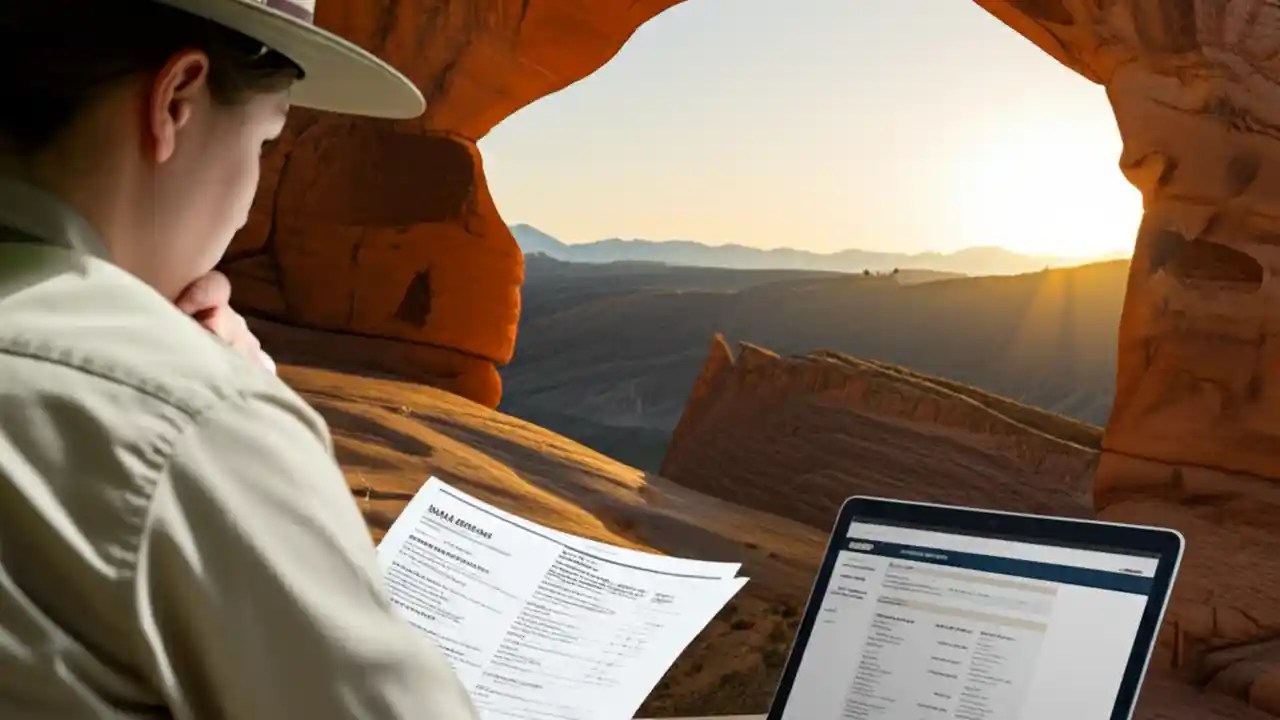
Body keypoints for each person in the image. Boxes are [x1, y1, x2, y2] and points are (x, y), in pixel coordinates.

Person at [0, 1, 478, 718]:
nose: (248, 208)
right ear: (176, 100)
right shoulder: (188, 423)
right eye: (263, 143)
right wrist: (234, 417)